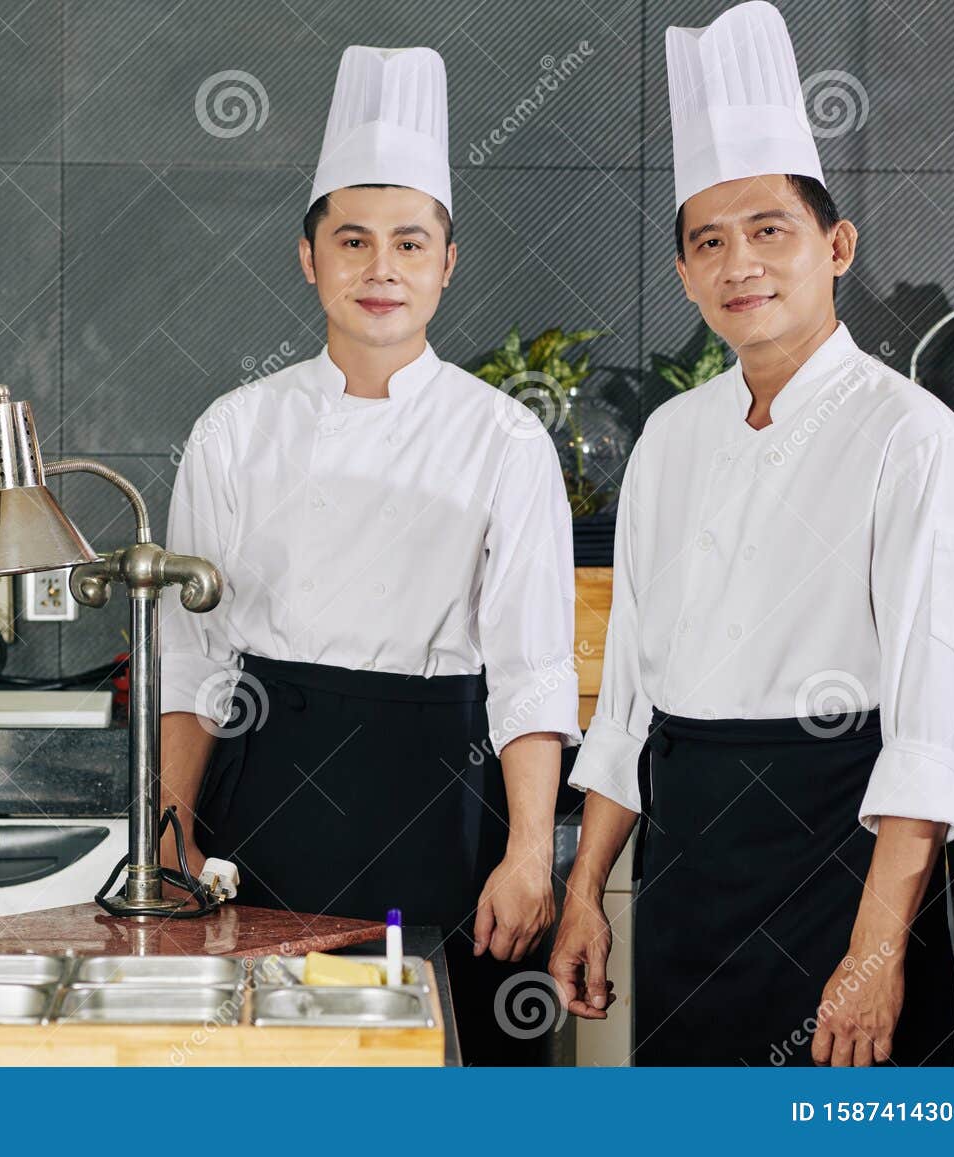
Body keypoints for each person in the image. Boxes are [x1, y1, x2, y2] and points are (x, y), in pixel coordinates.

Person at [548, 0, 954, 1067]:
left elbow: (934, 731)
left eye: (768, 231)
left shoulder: (914, 438)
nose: (739, 262)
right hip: (689, 872)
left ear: (835, 246)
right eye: (710, 242)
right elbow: (626, 707)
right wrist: (584, 892)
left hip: (839, 871)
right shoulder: (669, 437)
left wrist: (875, 952)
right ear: (686, 275)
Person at [157, 45, 581, 1065]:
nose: (379, 269)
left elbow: (530, 669)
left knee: (444, 1072)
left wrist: (530, 853)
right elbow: (191, 656)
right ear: (309, 258)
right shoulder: (233, 429)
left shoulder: (505, 437)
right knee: (264, 1072)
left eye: (407, 242)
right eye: (352, 241)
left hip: (441, 791)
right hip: (266, 784)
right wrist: (172, 835)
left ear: (446, 260)